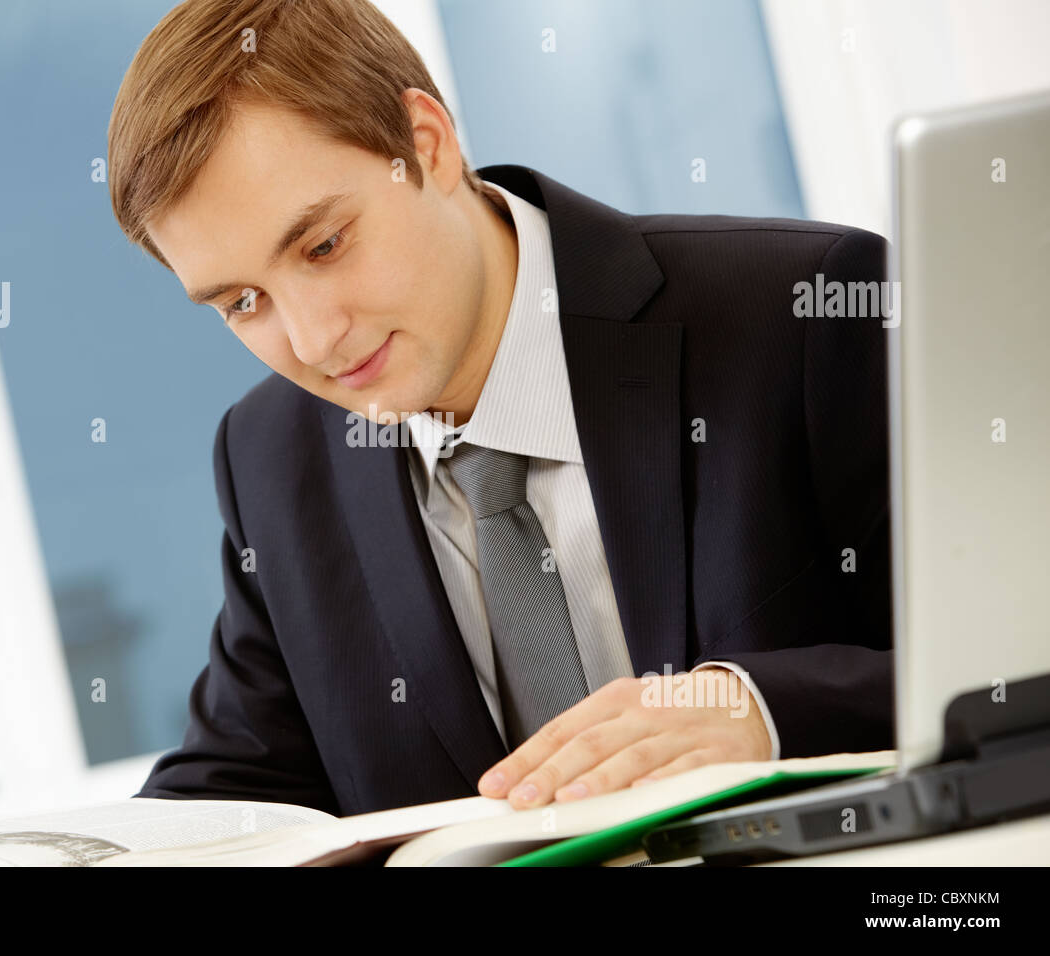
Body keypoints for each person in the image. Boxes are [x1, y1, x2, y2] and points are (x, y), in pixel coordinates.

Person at [107, 0, 891, 816]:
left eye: (323, 245)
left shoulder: (802, 312)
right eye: (241, 302)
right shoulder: (271, 458)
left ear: (427, 143)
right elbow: (232, 791)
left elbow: (1015, 665)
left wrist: (763, 712)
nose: (311, 341)